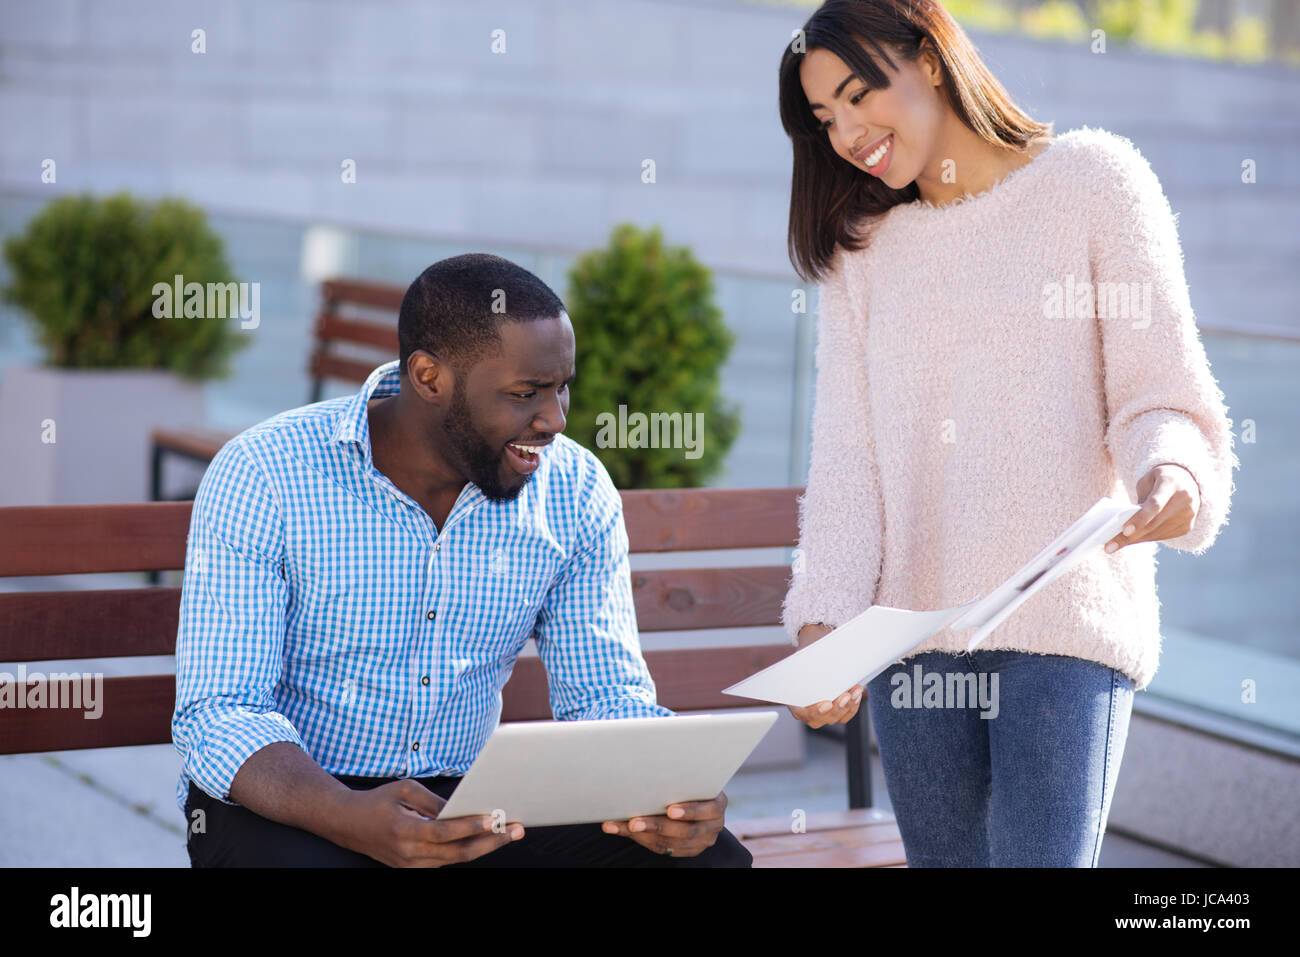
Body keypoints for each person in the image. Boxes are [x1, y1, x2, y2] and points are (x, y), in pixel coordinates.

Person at [775, 0, 1237, 866]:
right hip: (911, 649)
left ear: (931, 58)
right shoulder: (865, 252)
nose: (844, 133)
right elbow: (847, 462)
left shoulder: (1096, 182)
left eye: (855, 93)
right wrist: (823, 631)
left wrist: (1172, 468)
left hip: (1066, 626)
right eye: (823, 119)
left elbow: (1159, 391)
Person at [173, 253, 750, 868]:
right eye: (526, 393)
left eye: (562, 389)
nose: (554, 420)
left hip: (469, 805)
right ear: (428, 377)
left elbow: (607, 695)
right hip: (296, 797)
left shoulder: (575, 489)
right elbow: (222, 711)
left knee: (704, 861)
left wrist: (665, 788)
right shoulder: (266, 472)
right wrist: (348, 815)